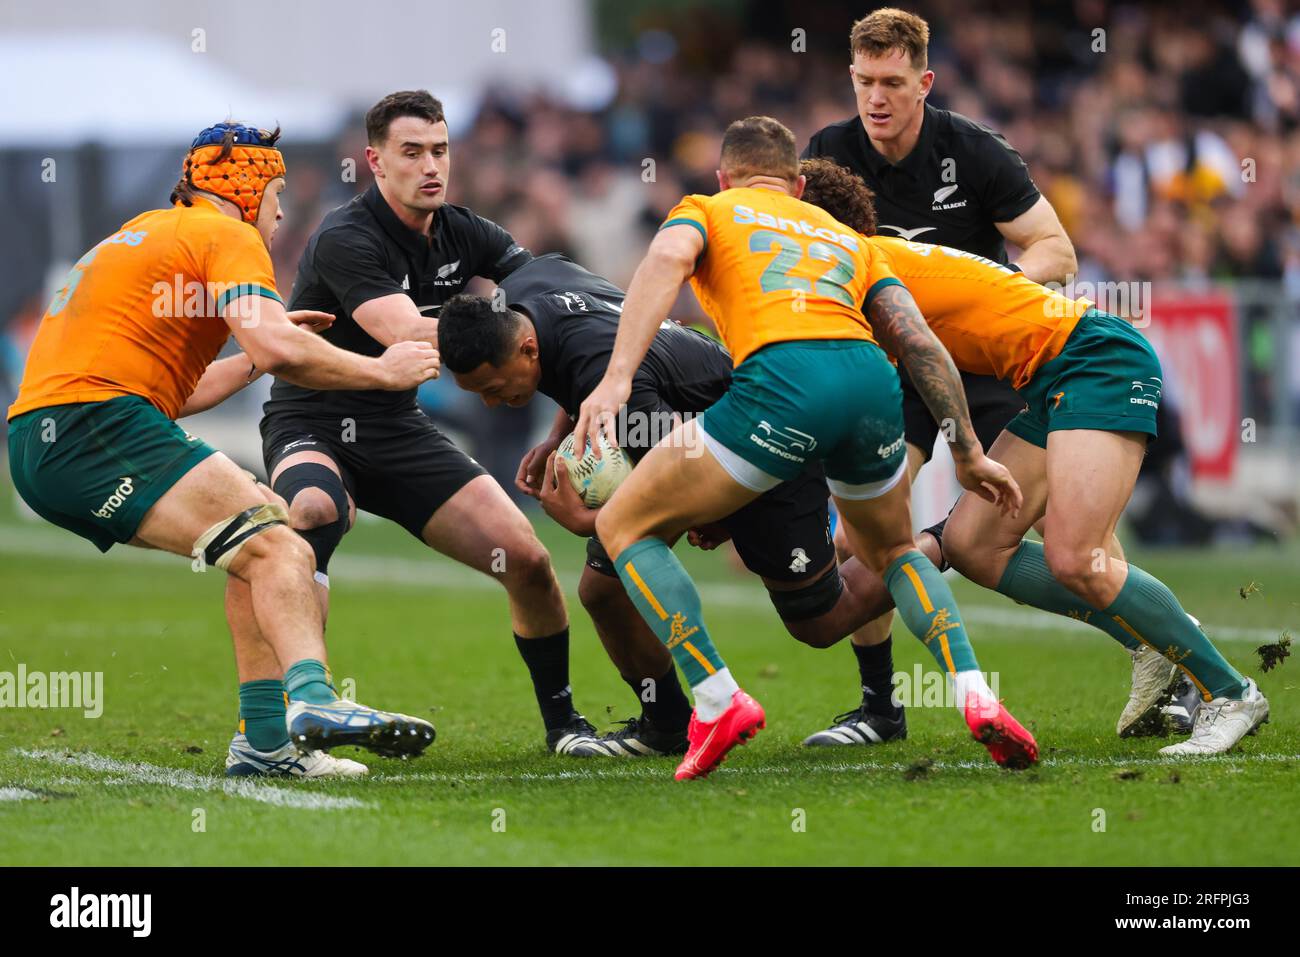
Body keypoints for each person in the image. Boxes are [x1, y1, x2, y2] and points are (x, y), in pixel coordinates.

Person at [574, 116, 1036, 780]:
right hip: (873, 383)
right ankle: (976, 693)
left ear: (725, 176)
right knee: (893, 550)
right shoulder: (850, 237)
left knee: (623, 523)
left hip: (784, 379)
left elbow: (666, 260)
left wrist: (616, 380)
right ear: (797, 183)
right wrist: (965, 446)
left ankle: (716, 696)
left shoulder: (708, 208)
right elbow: (917, 339)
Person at [798, 156, 1271, 755]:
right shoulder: (872, 267)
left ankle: (1230, 690)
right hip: (1055, 376)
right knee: (972, 545)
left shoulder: (864, 270)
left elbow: (909, 372)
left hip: (1096, 362)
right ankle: (1152, 638)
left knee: (1078, 557)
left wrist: (957, 454)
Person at [7, 123, 439, 777]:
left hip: (52, 437)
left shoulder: (147, 233)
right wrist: (386, 370)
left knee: (258, 535)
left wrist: (254, 355)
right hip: (91, 426)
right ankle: (315, 703)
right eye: (278, 193)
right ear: (250, 188)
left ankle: (263, 742)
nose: (282, 211)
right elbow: (279, 351)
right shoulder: (228, 234)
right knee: (280, 543)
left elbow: (170, 392)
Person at [256, 91, 608, 758]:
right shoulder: (345, 237)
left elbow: (548, 289)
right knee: (313, 511)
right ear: (375, 161)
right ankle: (302, 719)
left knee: (528, 560)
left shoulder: (466, 230)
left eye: (440, 151)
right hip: (313, 418)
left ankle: (565, 725)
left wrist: (612, 330)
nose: (430, 166)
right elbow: (405, 337)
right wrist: (506, 331)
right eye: (412, 152)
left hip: (396, 426)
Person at [439, 254, 896, 755]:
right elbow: (595, 372)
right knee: (604, 591)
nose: (490, 402)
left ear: (528, 349)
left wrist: (586, 520)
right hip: (690, 422)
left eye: (494, 387)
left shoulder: (607, 378)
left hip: (758, 438)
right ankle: (667, 723)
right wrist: (561, 435)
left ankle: (937, 546)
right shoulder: (532, 286)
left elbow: (687, 465)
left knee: (820, 621)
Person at [801, 7, 1083, 748]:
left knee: (1067, 534)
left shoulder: (974, 150)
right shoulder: (828, 154)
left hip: (979, 361)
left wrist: (985, 291)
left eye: (892, 81)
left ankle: (1165, 665)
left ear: (925, 82)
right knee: (866, 529)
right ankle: (880, 707)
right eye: (864, 81)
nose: (876, 98)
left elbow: (1056, 248)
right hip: (891, 369)